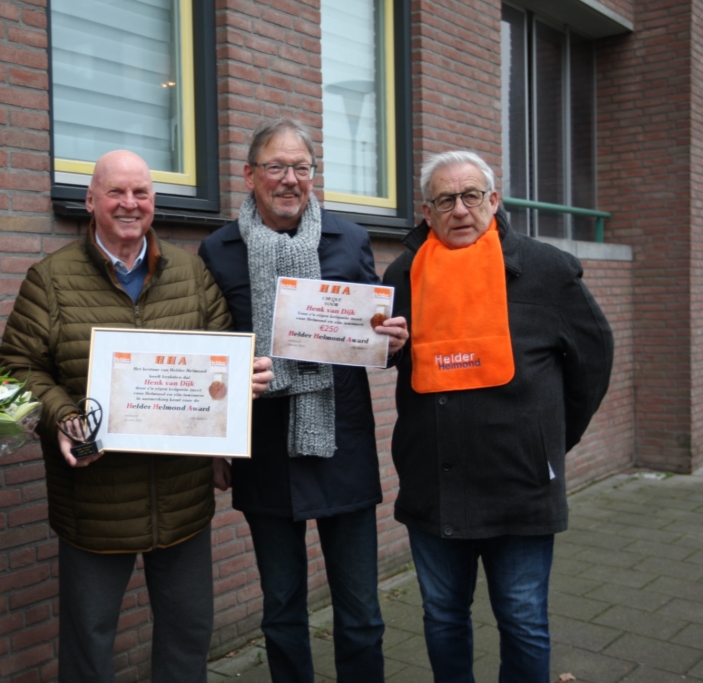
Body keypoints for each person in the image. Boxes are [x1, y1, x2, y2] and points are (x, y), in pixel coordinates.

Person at [0, 150, 273, 683]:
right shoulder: (51, 279)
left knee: (188, 632)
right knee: (90, 638)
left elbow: (220, 354)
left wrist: (241, 387)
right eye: (116, 193)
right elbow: (16, 366)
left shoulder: (190, 272)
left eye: (141, 193)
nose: (130, 204)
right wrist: (61, 416)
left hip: (181, 497)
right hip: (96, 499)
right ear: (90, 201)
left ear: (153, 201)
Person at [382, 151, 613, 682]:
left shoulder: (546, 270)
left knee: (524, 620)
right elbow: (386, 355)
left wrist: (548, 439)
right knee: (442, 617)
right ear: (427, 210)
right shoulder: (403, 274)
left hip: (521, 483)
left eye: (470, 196)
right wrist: (387, 348)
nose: (459, 210)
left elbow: (594, 358)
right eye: (445, 200)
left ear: (494, 200)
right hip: (434, 484)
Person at [198, 118, 409, 683]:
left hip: (339, 437)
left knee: (361, 610)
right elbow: (211, 351)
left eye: (301, 168)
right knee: (282, 610)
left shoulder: (349, 237)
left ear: (314, 176)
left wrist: (389, 341)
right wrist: (220, 429)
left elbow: (370, 338)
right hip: (264, 444)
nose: (289, 179)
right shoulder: (217, 250)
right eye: (275, 167)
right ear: (249, 176)